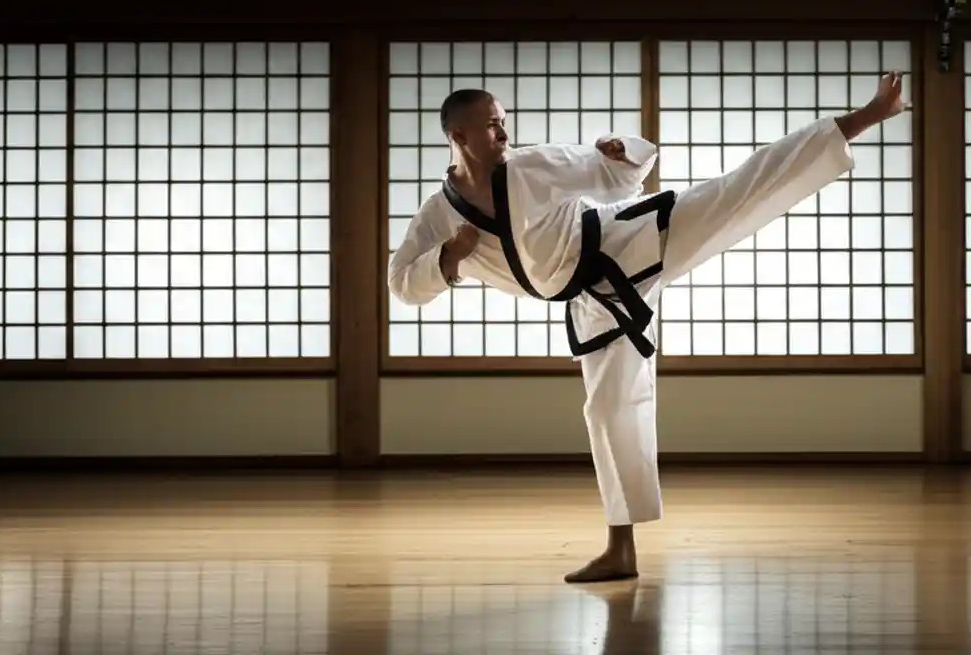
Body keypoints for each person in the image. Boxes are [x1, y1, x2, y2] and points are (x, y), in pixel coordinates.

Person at [387, 72, 906, 582]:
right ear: (458, 136)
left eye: (504, 122)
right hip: (593, 301)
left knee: (737, 190)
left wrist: (620, 152)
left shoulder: (531, 166)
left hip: (625, 240)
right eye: (492, 125)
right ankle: (621, 550)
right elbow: (402, 285)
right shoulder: (437, 218)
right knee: (608, 409)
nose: (504, 132)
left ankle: (865, 116)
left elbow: (618, 177)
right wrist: (449, 260)